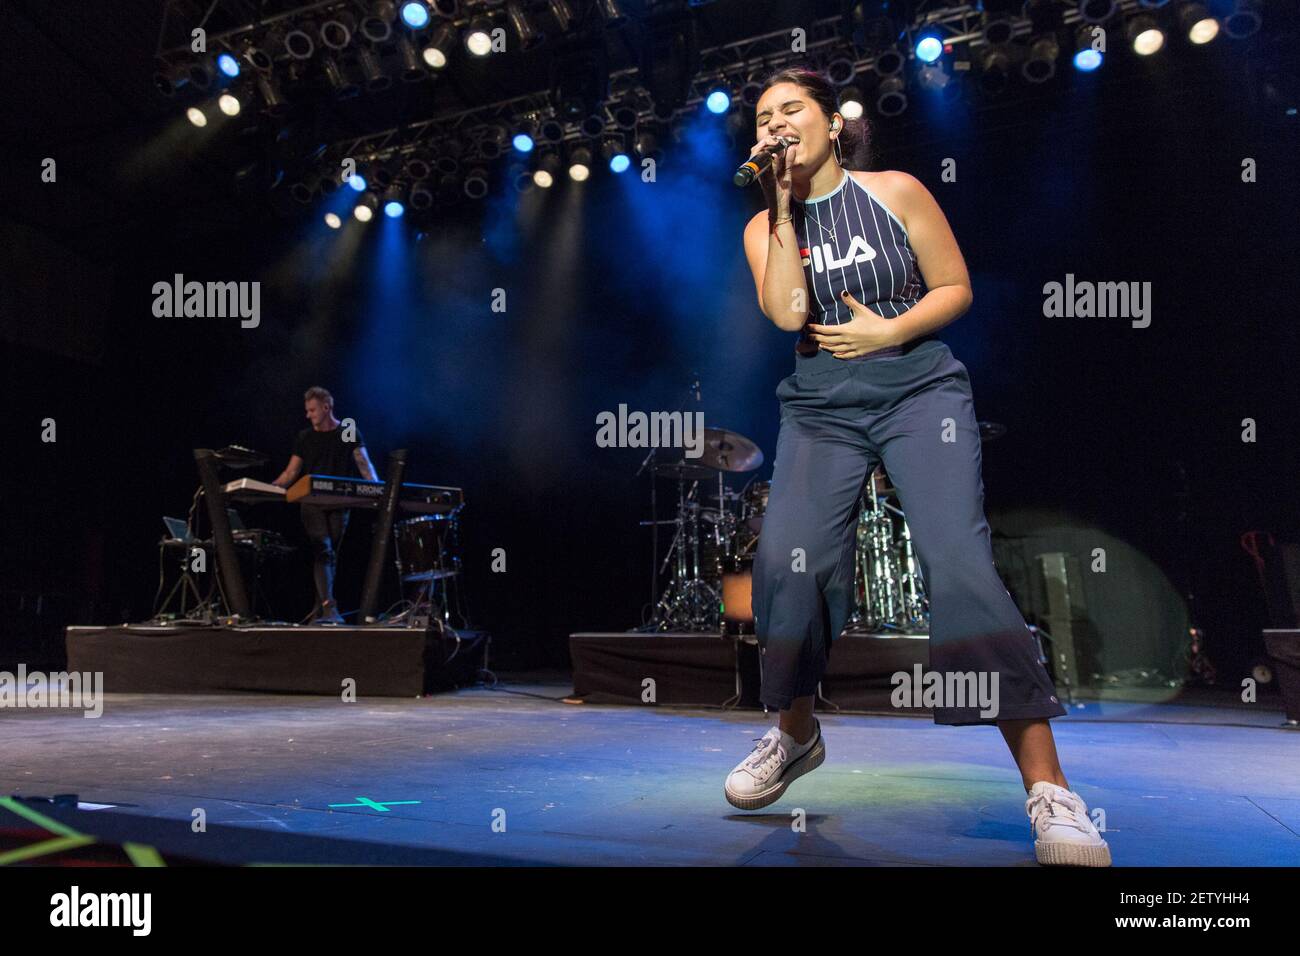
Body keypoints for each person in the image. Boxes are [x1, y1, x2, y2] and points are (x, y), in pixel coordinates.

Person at [723, 66, 1110, 867]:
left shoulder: (894, 189)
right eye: (763, 117)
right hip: (822, 404)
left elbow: (956, 286)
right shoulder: (766, 225)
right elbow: (790, 314)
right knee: (787, 566)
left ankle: (1051, 790)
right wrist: (784, 206)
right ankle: (794, 734)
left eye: (791, 109)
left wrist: (887, 333)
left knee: (960, 565)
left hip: (917, 392)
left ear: (833, 124)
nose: (775, 125)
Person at [271, 386, 378, 624]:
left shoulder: (346, 429)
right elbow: (291, 472)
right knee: (323, 551)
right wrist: (269, 488)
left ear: (326, 408)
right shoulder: (305, 437)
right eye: (307, 411)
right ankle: (329, 608)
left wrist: (378, 490)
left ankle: (319, 611)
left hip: (340, 503)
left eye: (312, 410)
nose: (308, 415)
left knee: (331, 557)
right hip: (312, 503)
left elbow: (362, 461)